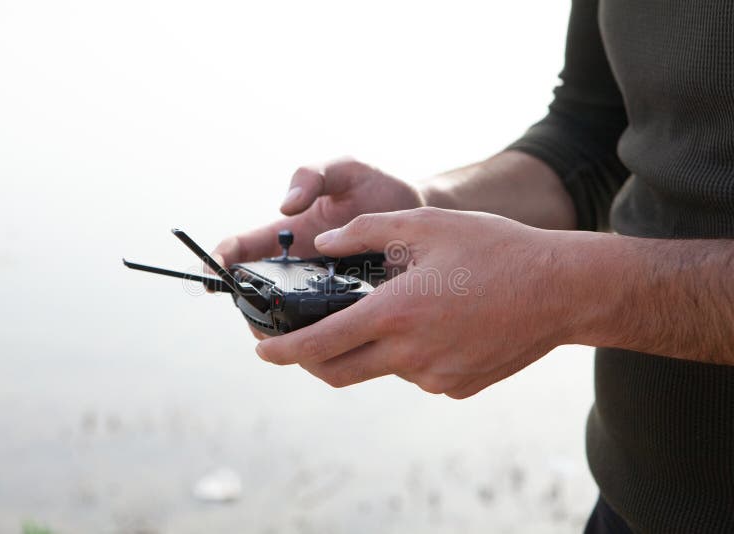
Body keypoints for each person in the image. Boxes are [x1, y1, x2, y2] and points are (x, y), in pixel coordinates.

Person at [212, 1, 734, 531]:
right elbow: (590, 132)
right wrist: (421, 208)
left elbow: (569, 272)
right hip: (631, 499)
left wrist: (564, 289)